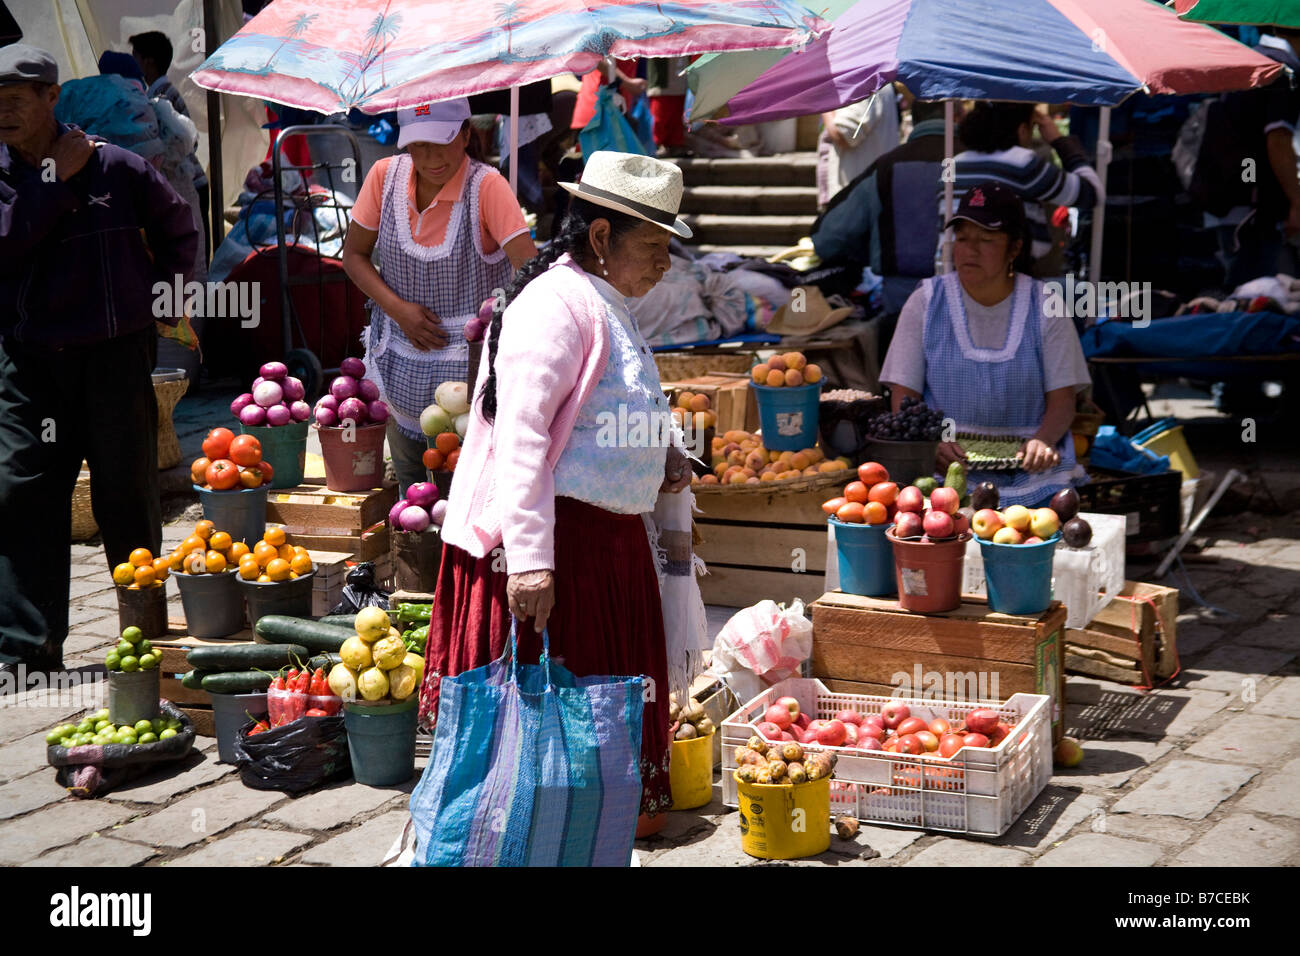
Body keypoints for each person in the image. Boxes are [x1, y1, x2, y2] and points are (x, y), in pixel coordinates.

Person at [423, 151, 695, 815]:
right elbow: (522, 436)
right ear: (601, 238)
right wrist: (531, 565)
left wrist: (662, 450)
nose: (665, 264)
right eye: (655, 247)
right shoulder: (555, 307)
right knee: (540, 753)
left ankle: (583, 837)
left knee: (587, 744)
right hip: (556, 553)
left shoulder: (603, 300)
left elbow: (614, 398)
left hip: (604, 549)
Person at [0, 45, 198, 673]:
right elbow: (7, 242)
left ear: (51, 98)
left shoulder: (118, 168)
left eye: (14, 101)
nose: (1, 114)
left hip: (114, 356)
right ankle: (26, 651)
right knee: (20, 493)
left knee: (126, 493)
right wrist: (53, 178)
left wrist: (166, 299)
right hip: (29, 364)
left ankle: (143, 639)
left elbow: (179, 230)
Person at [342, 99, 537, 494]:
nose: (430, 157)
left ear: (466, 134)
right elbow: (354, 256)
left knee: (467, 495)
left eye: (442, 141)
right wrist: (398, 311)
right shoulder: (384, 176)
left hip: (469, 380)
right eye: (418, 145)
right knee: (413, 498)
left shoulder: (488, 187)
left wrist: (501, 330)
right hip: (399, 364)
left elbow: (533, 273)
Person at [880, 183, 1090, 508]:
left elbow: (1063, 401)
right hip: (944, 470)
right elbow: (904, 395)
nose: (969, 250)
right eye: (962, 239)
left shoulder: (1046, 305)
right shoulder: (925, 302)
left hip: (1032, 474)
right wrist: (930, 443)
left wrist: (1043, 441)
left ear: (1015, 248)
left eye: (986, 240)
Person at [811, 99, 952, 318]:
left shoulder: (888, 166)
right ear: (959, 115)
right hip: (967, 302)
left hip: (900, 304)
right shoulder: (976, 162)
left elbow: (827, 238)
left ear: (913, 118)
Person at [943, 102, 1101, 277]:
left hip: (956, 270)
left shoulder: (952, 164)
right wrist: (1059, 141)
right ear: (1022, 129)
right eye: (1033, 126)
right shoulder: (1023, 163)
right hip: (1007, 274)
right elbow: (1092, 193)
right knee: (1080, 295)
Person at [130, 31, 209, 259]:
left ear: (148, 61)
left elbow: (186, 141)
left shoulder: (161, 97)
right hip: (194, 183)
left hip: (190, 183)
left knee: (195, 258)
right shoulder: (161, 93)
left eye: (136, 57)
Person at [817, 84, 900, 208]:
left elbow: (844, 135)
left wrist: (825, 103)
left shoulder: (866, 85)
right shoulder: (873, 82)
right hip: (864, 196)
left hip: (857, 202)